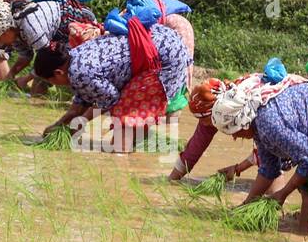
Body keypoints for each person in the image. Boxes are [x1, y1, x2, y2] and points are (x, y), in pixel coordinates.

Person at [209, 73, 308, 236]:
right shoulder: (259, 125)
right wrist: (245, 205)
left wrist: (283, 193)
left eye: (234, 131)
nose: (234, 137)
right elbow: (268, 170)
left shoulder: (269, 124)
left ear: (243, 124)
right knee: (307, 182)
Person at [33, 17, 191, 151]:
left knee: (123, 121)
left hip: (164, 57)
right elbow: (81, 102)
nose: (54, 84)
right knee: (125, 125)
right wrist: (59, 124)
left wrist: (82, 122)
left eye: (50, 81)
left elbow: (110, 99)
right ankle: (137, 146)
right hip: (162, 39)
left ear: (58, 73)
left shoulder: (79, 72)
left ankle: (124, 161)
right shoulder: (73, 56)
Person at [0, 0, 101, 89]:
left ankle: (81, 106)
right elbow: (25, 56)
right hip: (58, 35)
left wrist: (26, 79)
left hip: (79, 27)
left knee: (49, 79)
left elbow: (47, 60)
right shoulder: (15, 31)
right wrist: (10, 75)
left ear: (6, 31)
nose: (1, 43)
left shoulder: (30, 26)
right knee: (43, 80)